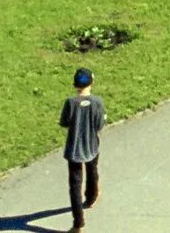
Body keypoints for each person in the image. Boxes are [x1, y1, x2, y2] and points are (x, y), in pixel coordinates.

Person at [60, 66, 103, 232]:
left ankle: (78, 224)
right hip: (91, 145)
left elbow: (64, 122)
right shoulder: (97, 102)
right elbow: (100, 124)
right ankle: (92, 196)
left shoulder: (70, 103)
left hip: (74, 149)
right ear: (91, 83)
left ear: (75, 85)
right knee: (92, 170)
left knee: (75, 185)